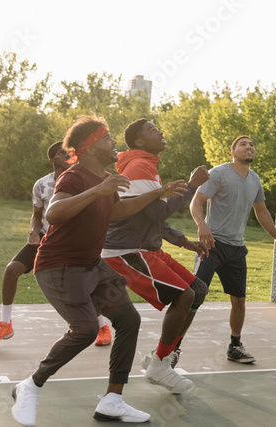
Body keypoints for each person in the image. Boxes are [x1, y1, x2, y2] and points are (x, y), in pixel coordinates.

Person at [10, 116, 186, 427]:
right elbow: (54, 212)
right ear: (90, 148)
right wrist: (97, 190)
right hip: (59, 267)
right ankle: (31, 386)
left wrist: (156, 195)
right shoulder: (74, 177)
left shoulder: (105, 177)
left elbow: (117, 211)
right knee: (86, 330)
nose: (114, 142)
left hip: (91, 264)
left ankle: (112, 400)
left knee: (129, 319)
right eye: (107, 139)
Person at [104, 118, 210, 393]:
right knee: (184, 296)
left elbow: (153, 218)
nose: (161, 131)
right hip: (125, 250)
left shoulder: (146, 165)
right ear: (140, 141)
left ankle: (161, 356)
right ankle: (161, 364)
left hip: (144, 245)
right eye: (153, 130)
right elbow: (159, 212)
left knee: (197, 290)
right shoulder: (139, 167)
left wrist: (183, 241)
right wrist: (192, 185)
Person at [0, 142, 112, 347]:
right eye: (62, 153)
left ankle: (102, 326)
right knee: (11, 269)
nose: (68, 154)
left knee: (86, 283)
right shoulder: (41, 184)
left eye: (70, 151)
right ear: (52, 160)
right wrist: (34, 231)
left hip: (74, 241)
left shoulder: (81, 178)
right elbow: (37, 215)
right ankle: (5, 324)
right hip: (45, 238)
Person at [190, 135, 276, 365]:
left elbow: (261, 211)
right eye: (243, 144)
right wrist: (202, 225)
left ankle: (235, 346)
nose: (249, 147)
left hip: (236, 248)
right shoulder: (219, 173)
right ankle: (172, 349)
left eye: (252, 144)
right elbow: (196, 200)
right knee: (194, 296)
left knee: (240, 301)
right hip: (212, 245)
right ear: (233, 152)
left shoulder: (254, 179)